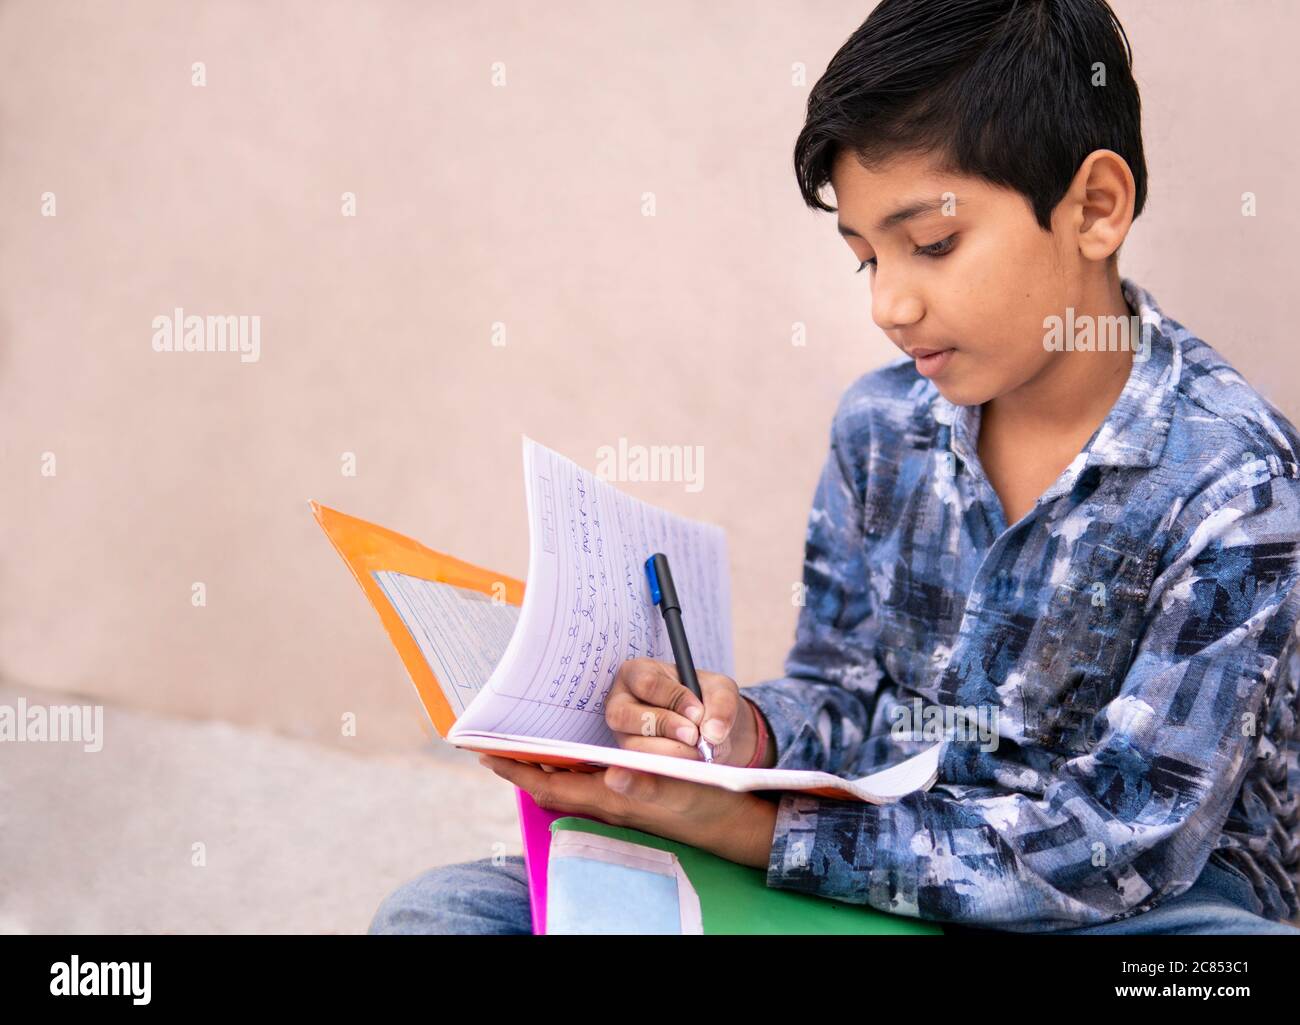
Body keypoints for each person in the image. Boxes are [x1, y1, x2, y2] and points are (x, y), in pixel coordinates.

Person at [371, 0, 1300, 935]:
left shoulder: (1237, 485)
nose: (890, 304)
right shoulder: (881, 426)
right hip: (871, 864)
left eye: (933, 245)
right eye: (866, 260)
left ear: (1094, 207)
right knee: (446, 912)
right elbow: (847, 687)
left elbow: (1119, 846)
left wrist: (760, 829)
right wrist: (742, 735)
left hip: (1125, 907)